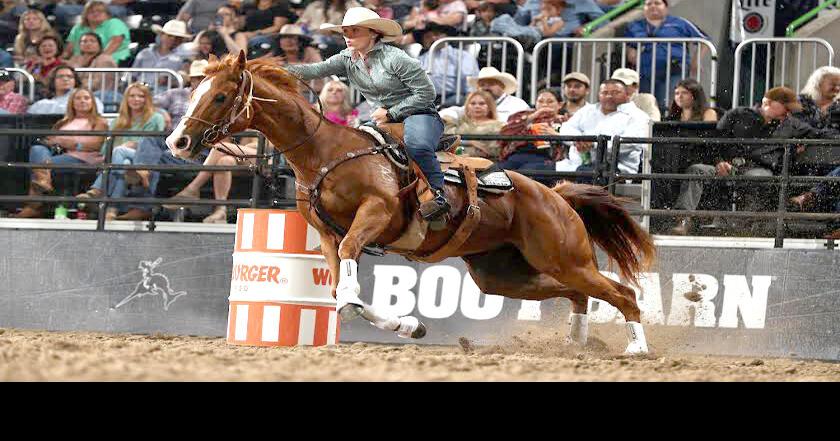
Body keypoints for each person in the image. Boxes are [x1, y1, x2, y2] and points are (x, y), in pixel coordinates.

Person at [286, 7, 451, 222]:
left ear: (374, 33)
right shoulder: (346, 58)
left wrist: (392, 113)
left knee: (417, 145)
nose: (348, 37)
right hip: (379, 120)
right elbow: (314, 70)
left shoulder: (397, 58)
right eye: (345, 32)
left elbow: (427, 94)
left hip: (419, 114)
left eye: (355, 31)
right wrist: (271, 69)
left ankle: (438, 195)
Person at [671, 87, 824, 235]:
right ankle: (682, 220)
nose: (788, 112)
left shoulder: (791, 125)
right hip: (728, 165)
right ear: (767, 103)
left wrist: (805, 141)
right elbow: (715, 141)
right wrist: (719, 161)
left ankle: (745, 225)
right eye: (785, 107)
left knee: (759, 177)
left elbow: (822, 135)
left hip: (758, 168)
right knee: (697, 170)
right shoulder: (737, 114)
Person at [116, 60, 212, 221]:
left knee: (149, 158)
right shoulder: (176, 93)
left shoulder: (214, 99)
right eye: (196, 77)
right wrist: (161, 112)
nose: (200, 81)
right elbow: (146, 102)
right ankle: (142, 173)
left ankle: (141, 202)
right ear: (191, 79)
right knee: (150, 140)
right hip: (173, 139)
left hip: (196, 148)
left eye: (204, 77)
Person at [13, 88, 108, 218]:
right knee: (37, 149)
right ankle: (43, 181)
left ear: (93, 102)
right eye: (78, 98)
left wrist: (71, 143)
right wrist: (59, 142)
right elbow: (51, 139)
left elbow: (96, 144)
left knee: (38, 167)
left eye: (86, 98)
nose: (82, 101)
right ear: (72, 102)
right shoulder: (63, 122)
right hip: (61, 155)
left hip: (85, 159)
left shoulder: (99, 122)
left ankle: (34, 204)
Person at [76, 83, 165, 220]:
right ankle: (112, 209)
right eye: (132, 96)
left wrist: (134, 145)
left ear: (147, 99)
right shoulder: (118, 121)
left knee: (120, 151)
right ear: (126, 99)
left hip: (146, 159)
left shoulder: (156, 118)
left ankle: (99, 189)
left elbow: (154, 144)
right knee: (124, 161)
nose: (136, 99)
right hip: (123, 162)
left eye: (141, 96)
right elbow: (106, 147)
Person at [556, 79, 651, 178]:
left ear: (627, 95)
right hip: (574, 165)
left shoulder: (638, 116)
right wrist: (578, 140)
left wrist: (593, 144)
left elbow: (630, 143)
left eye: (615, 93)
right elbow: (566, 127)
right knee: (540, 169)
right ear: (599, 95)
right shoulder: (587, 111)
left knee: (584, 174)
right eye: (604, 93)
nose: (609, 96)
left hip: (616, 170)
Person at [624, 0, 710, 108]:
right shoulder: (634, 25)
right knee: (645, 104)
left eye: (657, 3)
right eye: (649, 4)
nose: (653, 6)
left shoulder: (680, 23)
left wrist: (696, 61)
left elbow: (704, 41)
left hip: (674, 69)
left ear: (666, 7)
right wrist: (630, 52)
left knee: (668, 102)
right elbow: (629, 46)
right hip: (645, 71)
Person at [497, 88, 566, 171]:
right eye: (540, 101)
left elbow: (572, 141)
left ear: (560, 105)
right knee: (500, 172)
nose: (544, 105)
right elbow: (505, 132)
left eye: (550, 102)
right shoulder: (522, 115)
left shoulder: (565, 120)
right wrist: (533, 116)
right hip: (516, 154)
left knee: (527, 171)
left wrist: (554, 134)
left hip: (546, 157)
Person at [416, 22, 479, 106]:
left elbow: (470, 82)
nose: (433, 38)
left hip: (452, 97)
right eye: (428, 37)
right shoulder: (419, 59)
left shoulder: (462, 56)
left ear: (446, 36)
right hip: (425, 99)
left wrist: (471, 98)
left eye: (437, 34)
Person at [439, 67, 530, 123]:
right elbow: (457, 111)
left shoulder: (517, 104)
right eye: (482, 85)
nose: (486, 88)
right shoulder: (474, 103)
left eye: (491, 84)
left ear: (502, 86)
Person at [443, 90, 505, 159]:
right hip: (453, 160)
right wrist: (469, 142)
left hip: (483, 163)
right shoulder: (459, 122)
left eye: (482, 103)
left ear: (489, 106)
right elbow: (446, 140)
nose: (477, 106)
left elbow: (494, 151)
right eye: (473, 103)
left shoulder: (498, 126)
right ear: (467, 106)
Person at [64, 1, 132, 65]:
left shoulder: (114, 23)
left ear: (107, 14)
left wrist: (95, 60)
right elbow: (69, 49)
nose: (96, 13)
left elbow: (116, 42)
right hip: (79, 62)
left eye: (100, 11)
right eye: (91, 12)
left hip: (111, 62)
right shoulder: (78, 28)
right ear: (85, 15)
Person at [132, 20, 196, 85]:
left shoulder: (184, 58)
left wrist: (169, 81)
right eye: (169, 35)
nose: (172, 39)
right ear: (161, 35)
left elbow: (184, 79)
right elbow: (132, 75)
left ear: (181, 40)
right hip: (140, 91)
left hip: (165, 93)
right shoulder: (144, 53)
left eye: (177, 38)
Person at [28, 65, 105, 115]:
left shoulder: (86, 97)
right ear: (53, 81)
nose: (65, 79)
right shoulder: (41, 104)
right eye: (60, 76)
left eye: (70, 77)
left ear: (75, 81)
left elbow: (97, 111)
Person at [66, 32, 118, 101]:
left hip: (101, 96)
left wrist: (76, 86)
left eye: (92, 41)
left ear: (99, 45)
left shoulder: (105, 60)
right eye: (84, 41)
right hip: (77, 93)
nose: (88, 44)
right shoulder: (74, 59)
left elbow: (97, 83)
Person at [794, 66, 840, 136]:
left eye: (839, 84)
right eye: (832, 84)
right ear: (817, 84)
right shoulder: (801, 102)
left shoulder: (837, 105)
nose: (837, 88)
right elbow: (798, 129)